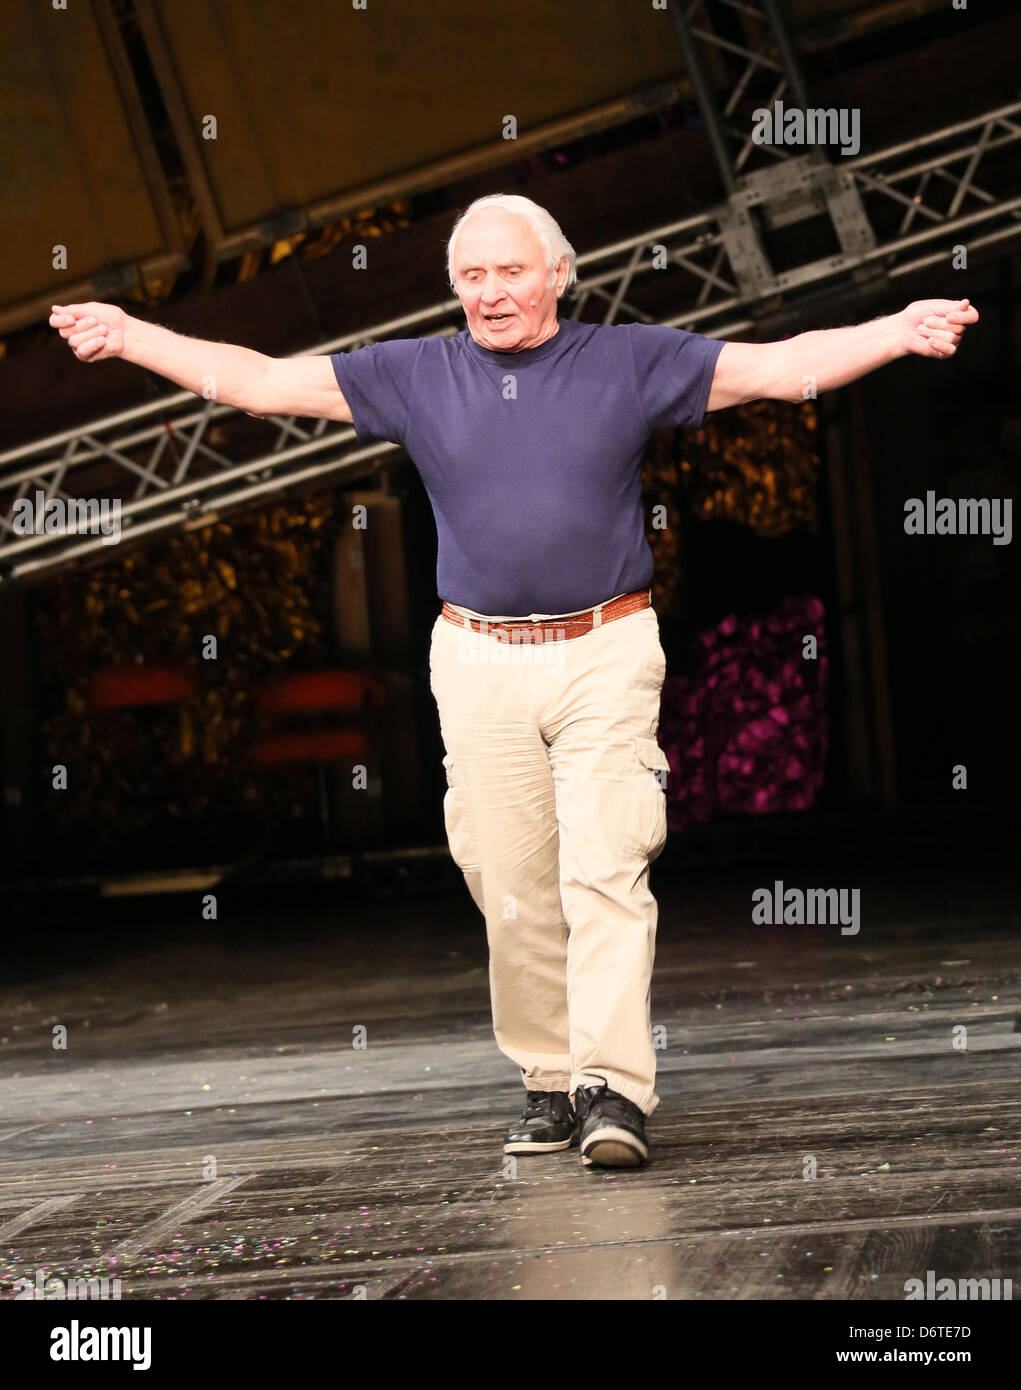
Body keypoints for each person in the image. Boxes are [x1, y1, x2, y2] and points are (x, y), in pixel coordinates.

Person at [50, 194, 977, 1168]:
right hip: (478, 658)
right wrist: (131, 334)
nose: (491, 294)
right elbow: (259, 384)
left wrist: (895, 330)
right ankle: (547, 1081)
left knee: (606, 868)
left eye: (511, 272)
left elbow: (779, 369)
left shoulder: (626, 361)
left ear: (559, 273)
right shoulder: (416, 374)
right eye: (472, 277)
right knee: (512, 885)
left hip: (604, 652)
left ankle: (613, 1087)